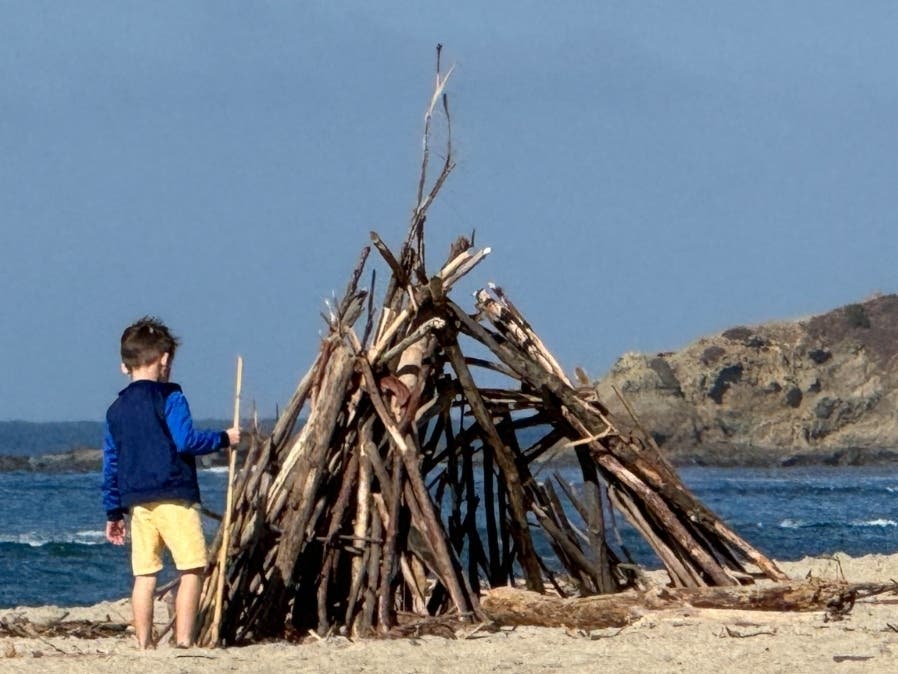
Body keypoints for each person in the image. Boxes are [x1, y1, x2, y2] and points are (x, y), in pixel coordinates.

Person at [101, 316, 240, 649]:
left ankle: (144, 646)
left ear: (126, 366)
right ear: (164, 360)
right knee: (193, 567)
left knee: (144, 576)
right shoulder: (170, 397)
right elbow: (186, 440)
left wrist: (113, 513)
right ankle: (183, 642)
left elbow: (111, 463)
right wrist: (224, 438)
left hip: (136, 502)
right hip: (174, 496)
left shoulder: (115, 410)